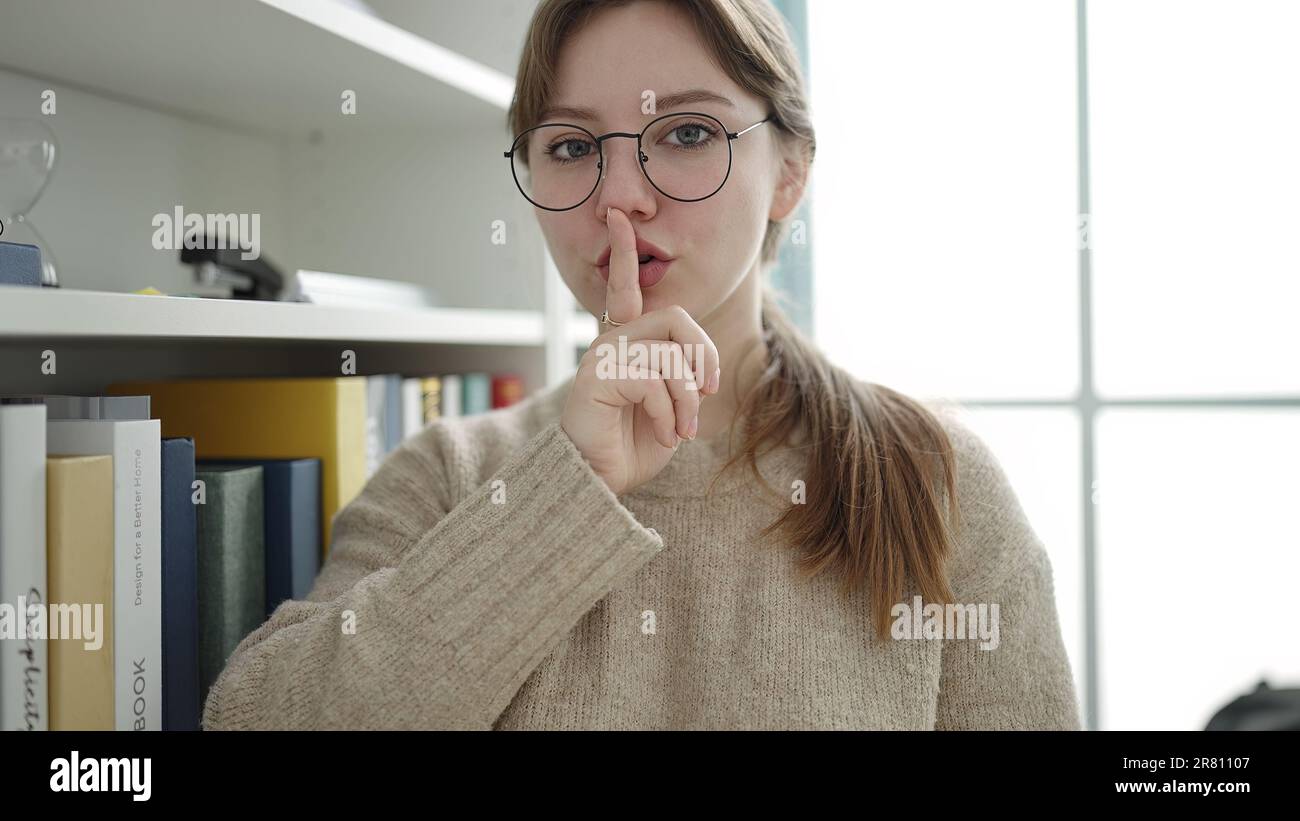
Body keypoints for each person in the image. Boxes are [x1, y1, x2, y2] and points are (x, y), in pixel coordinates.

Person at [202, 0, 1081, 730]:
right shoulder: (447, 475)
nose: (620, 194)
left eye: (687, 132)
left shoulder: (935, 481)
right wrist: (566, 494)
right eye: (573, 147)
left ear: (790, 171)